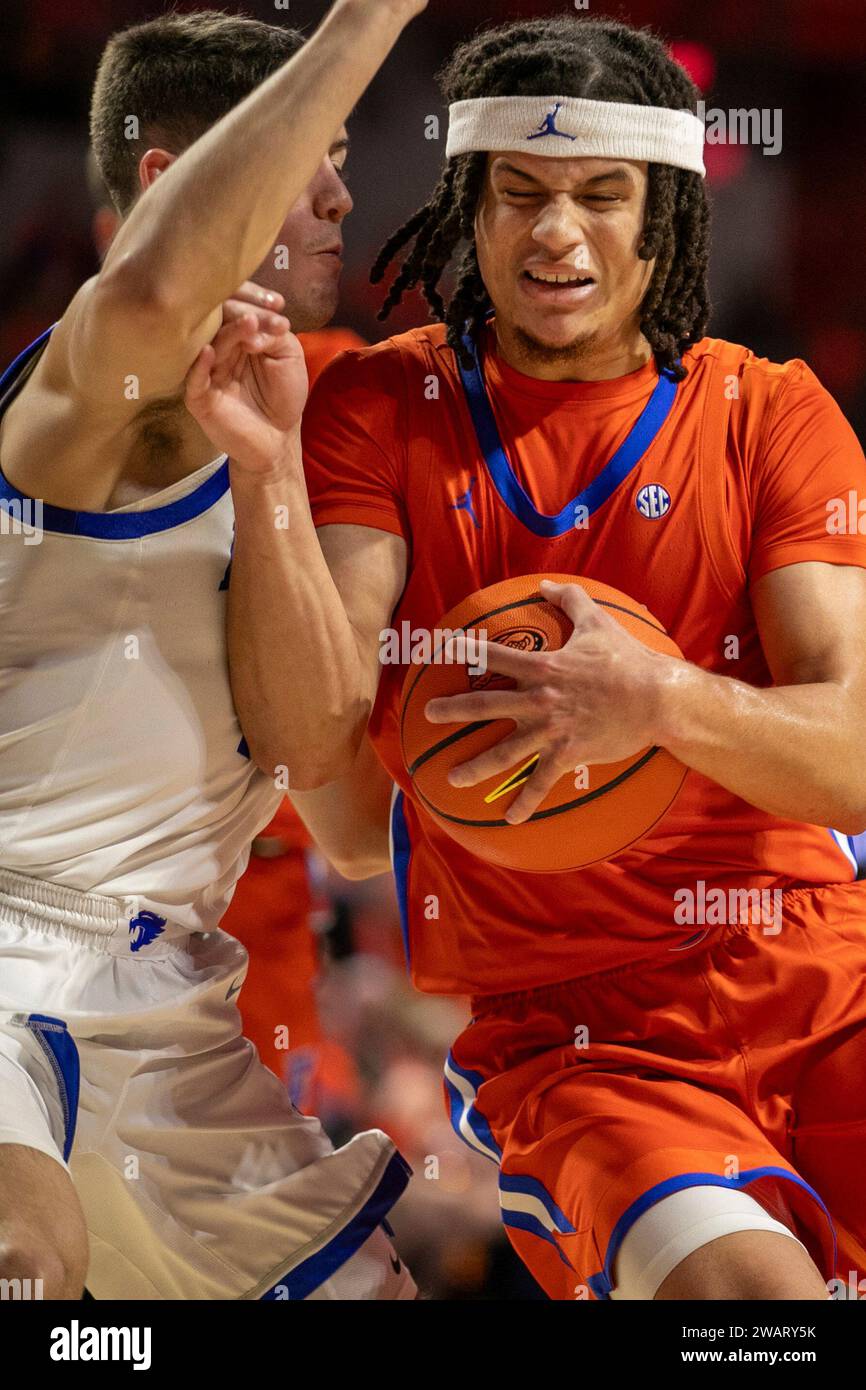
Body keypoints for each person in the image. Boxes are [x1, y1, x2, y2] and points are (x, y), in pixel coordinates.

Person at [226, 15, 866, 1301]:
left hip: (828, 982)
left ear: (663, 215)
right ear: (468, 208)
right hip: (584, 1043)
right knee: (754, 1312)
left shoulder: (772, 412)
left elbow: (850, 753)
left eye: (599, 195)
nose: (554, 232)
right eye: (517, 193)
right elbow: (329, 780)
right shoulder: (379, 410)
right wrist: (264, 481)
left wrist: (654, 699)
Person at [0, 0, 427, 1302]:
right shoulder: (94, 394)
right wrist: (367, 17)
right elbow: (149, 289)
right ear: (171, 178)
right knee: (25, 1262)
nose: (343, 197)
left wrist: (271, 471)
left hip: (167, 985)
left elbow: (330, 789)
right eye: (314, 161)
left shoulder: (291, 425)